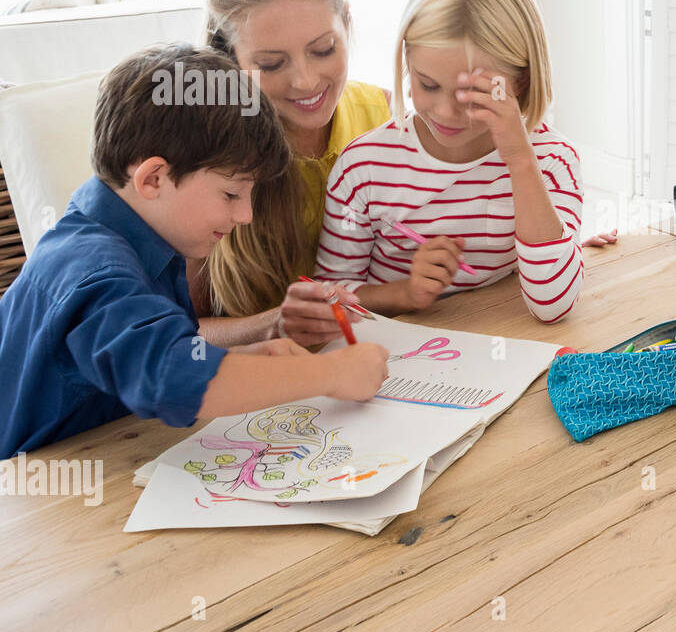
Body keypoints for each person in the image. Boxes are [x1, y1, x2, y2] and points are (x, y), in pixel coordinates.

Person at [0, 44, 389, 458]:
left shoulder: (137, 239)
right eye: (231, 193)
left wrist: (253, 357)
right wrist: (326, 373)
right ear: (153, 179)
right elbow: (173, 376)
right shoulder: (95, 273)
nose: (246, 214)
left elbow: (162, 352)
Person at [314, 0, 585, 323]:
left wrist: (521, 161)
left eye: (470, 94)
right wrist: (406, 293)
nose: (443, 111)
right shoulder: (364, 168)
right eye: (427, 85)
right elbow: (332, 298)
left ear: (519, 82)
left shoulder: (552, 161)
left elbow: (554, 305)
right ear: (407, 63)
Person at [195, 0, 394, 346]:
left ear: (347, 22)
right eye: (270, 63)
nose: (305, 82)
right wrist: (271, 326)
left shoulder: (384, 115)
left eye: (323, 50)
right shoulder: (204, 157)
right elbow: (171, 336)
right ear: (230, 60)